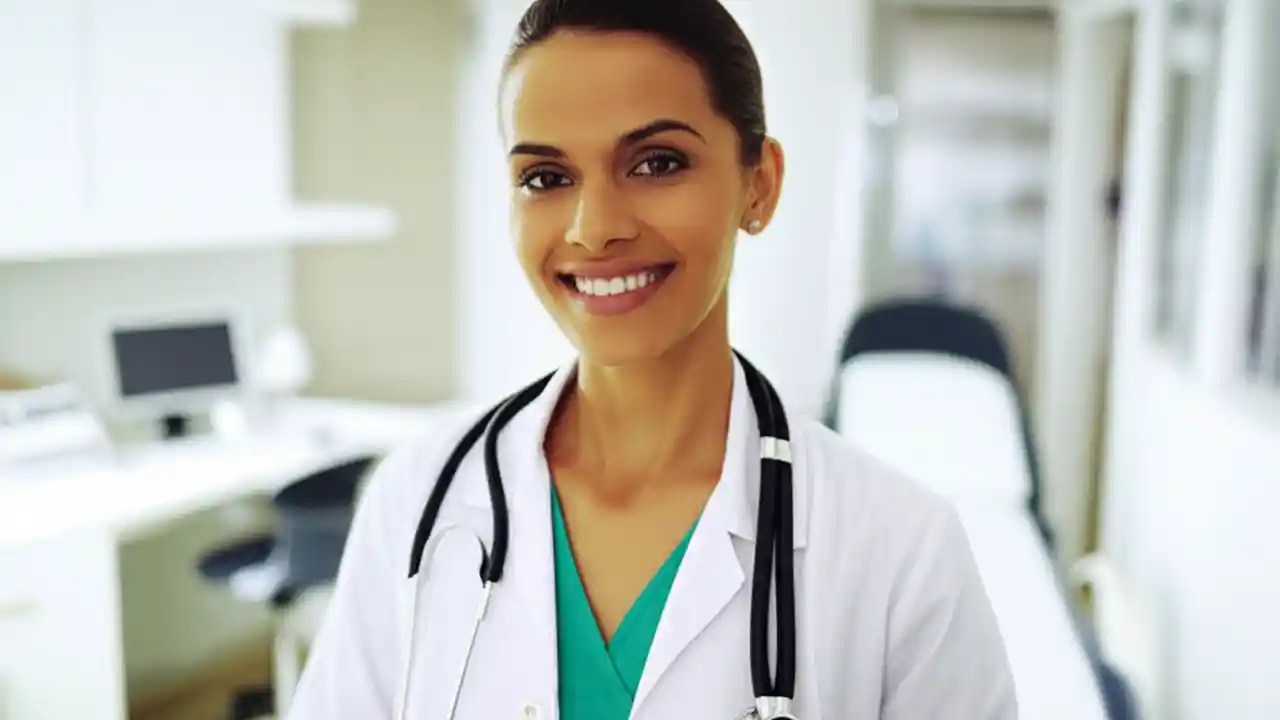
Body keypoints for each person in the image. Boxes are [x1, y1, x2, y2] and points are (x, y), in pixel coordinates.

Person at [288, 1, 1016, 718]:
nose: (594, 227)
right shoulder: (417, 502)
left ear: (758, 183)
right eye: (546, 177)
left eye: (656, 163)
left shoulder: (900, 553)